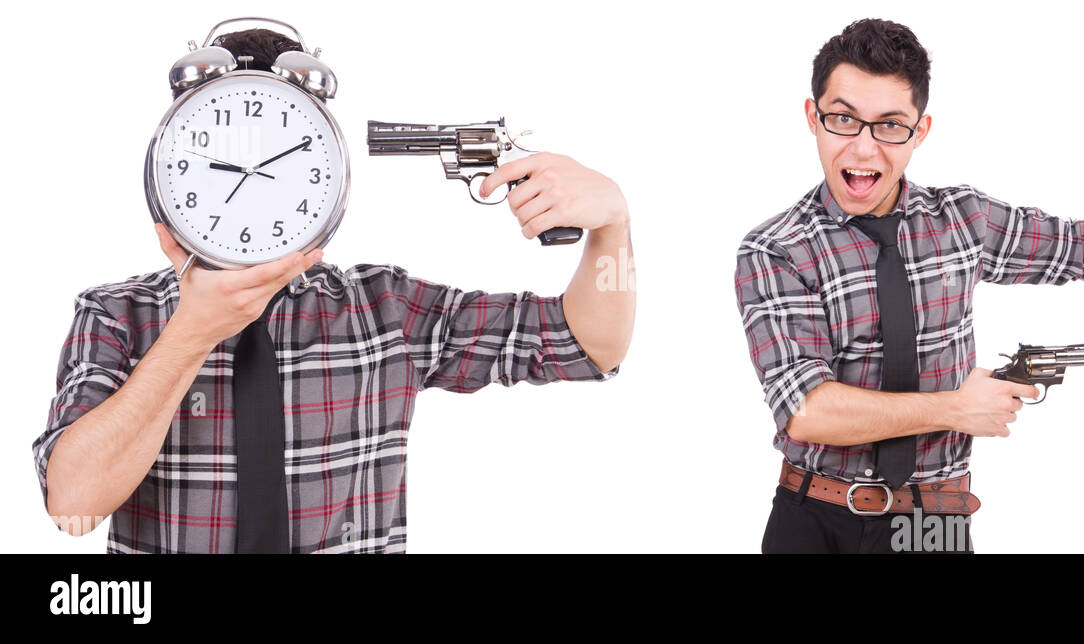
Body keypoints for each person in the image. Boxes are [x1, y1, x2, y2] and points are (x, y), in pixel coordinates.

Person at [33, 28, 636, 553]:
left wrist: (612, 227)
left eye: (284, 157)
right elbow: (72, 507)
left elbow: (587, 346)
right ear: (168, 175)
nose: (249, 179)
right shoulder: (115, 315)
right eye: (219, 159)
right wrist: (191, 334)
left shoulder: (387, 310)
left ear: (323, 181)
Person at [734, 18, 1084, 554]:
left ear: (920, 131)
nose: (862, 149)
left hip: (934, 524)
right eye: (843, 120)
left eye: (890, 125)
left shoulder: (963, 220)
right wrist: (953, 408)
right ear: (814, 118)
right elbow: (808, 411)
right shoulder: (776, 249)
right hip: (815, 520)